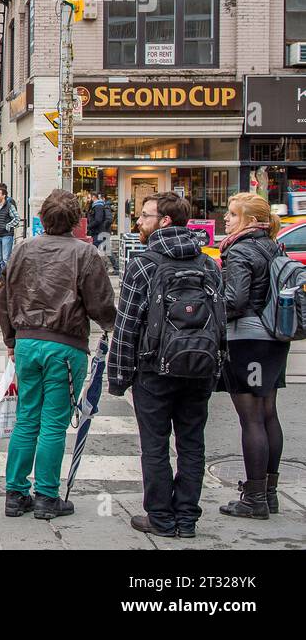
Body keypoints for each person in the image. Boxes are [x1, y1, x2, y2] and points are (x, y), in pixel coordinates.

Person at [108, 192, 223, 538]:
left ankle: (160, 516)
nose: (139, 222)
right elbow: (221, 321)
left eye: (145, 216)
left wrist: (118, 376)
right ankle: (186, 518)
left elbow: (126, 325)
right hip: (199, 369)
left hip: (154, 370)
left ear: (165, 221)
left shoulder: (143, 264)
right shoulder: (208, 264)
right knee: (192, 442)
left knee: (155, 444)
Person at [0, 190, 116, 520]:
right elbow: (100, 304)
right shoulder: (86, 254)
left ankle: (15, 492)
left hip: (27, 342)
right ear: (78, 221)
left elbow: (4, 298)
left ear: (43, 218)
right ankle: (46, 496)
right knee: (53, 421)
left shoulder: (22, 250)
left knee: (26, 417)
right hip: (65, 344)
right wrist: (111, 326)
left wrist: (11, 339)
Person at [217, 192, 290, 520]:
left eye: (233, 214)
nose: (226, 219)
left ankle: (255, 497)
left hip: (248, 341)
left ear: (250, 220)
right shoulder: (272, 245)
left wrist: (212, 302)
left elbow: (235, 300)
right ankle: (269, 493)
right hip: (274, 339)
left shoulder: (242, 249)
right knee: (268, 413)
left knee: (252, 418)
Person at [0, 184, 20, 283]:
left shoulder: (9, 205)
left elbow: (17, 219)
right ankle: (3, 278)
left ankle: (8, 280)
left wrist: (8, 226)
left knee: (6, 259)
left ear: (4, 195)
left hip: (6, 235)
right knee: (0, 259)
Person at [87, 192, 112, 256]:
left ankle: (112, 265)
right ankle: (113, 265)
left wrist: (88, 226)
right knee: (105, 251)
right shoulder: (95, 206)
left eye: (89, 198)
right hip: (98, 232)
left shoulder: (98, 206)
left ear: (94, 197)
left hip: (98, 233)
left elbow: (98, 220)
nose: (88, 200)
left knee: (98, 252)